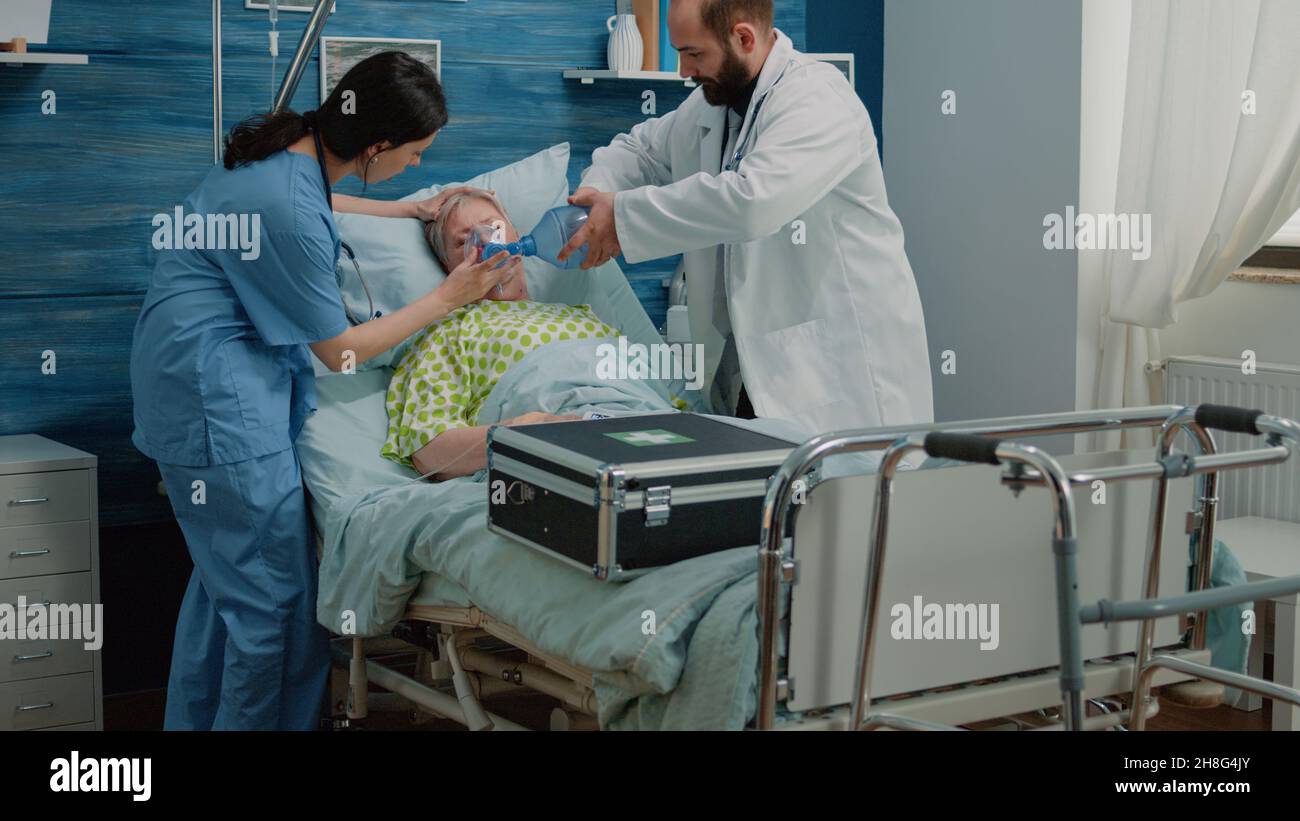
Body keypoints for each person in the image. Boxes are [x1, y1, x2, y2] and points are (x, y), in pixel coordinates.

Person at [129, 52, 516, 730]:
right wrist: (448, 295)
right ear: (376, 145)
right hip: (220, 407)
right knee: (271, 612)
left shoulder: (283, 159)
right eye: (416, 152)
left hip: (182, 381)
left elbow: (315, 196)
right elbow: (339, 353)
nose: (419, 165)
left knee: (223, 597)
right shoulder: (290, 207)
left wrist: (398, 207)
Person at [561, 0, 934, 436]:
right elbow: (638, 149)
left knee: (854, 499)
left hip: (839, 377)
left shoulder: (817, 99)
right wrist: (597, 196)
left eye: (694, 54)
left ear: (743, 38)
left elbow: (753, 203)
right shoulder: (711, 108)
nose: (684, 70)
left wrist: (620, 219)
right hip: (749, 380)